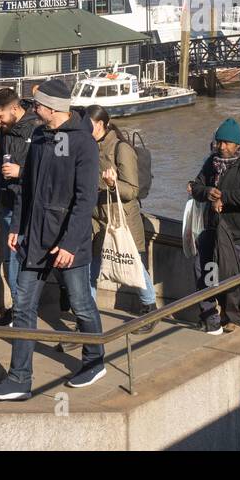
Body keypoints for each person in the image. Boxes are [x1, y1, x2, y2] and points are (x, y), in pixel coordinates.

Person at [0, 81, 103, 398]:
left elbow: (85, 201)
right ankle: (19, 379)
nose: (33, 109)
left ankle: (95, 361)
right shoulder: (41, 136)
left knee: (82, 305)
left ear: (52, 108)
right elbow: (27, 187)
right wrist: (17, 225)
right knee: (24, 306)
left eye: (38, 105)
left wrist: (69, 244)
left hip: (68, 241)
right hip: (36, 239)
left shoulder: (83, 144)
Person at [186, 118, 240, 334]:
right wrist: (207, 193)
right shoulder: (212, 161)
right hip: (214, 230)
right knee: (204, 270)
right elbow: (196, 186)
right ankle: (211, 319)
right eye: (219, 142)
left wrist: (225, 197)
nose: (222, 147)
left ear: (238, 144)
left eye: (227, 143)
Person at [82, 105, 156, 330]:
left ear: (101, 125)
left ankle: (149, 309)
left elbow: (132, 190)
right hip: (96, 219)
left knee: (134, 267)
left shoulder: (120, 149)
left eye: (89, 125)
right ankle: (87, 317)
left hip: (120, 219)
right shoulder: (86, 146)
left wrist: (113, 183)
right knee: (89, 269)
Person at [0, 87, 41, 325]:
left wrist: (21, 172)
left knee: (19, 259)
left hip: (29, 204)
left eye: (0, 116)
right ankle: (19, 307)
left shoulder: (37, 128)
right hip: (8, 200)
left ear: (15, 108)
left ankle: (22, 310)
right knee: (11, 259)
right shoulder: (5, 130)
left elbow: (48, 169)